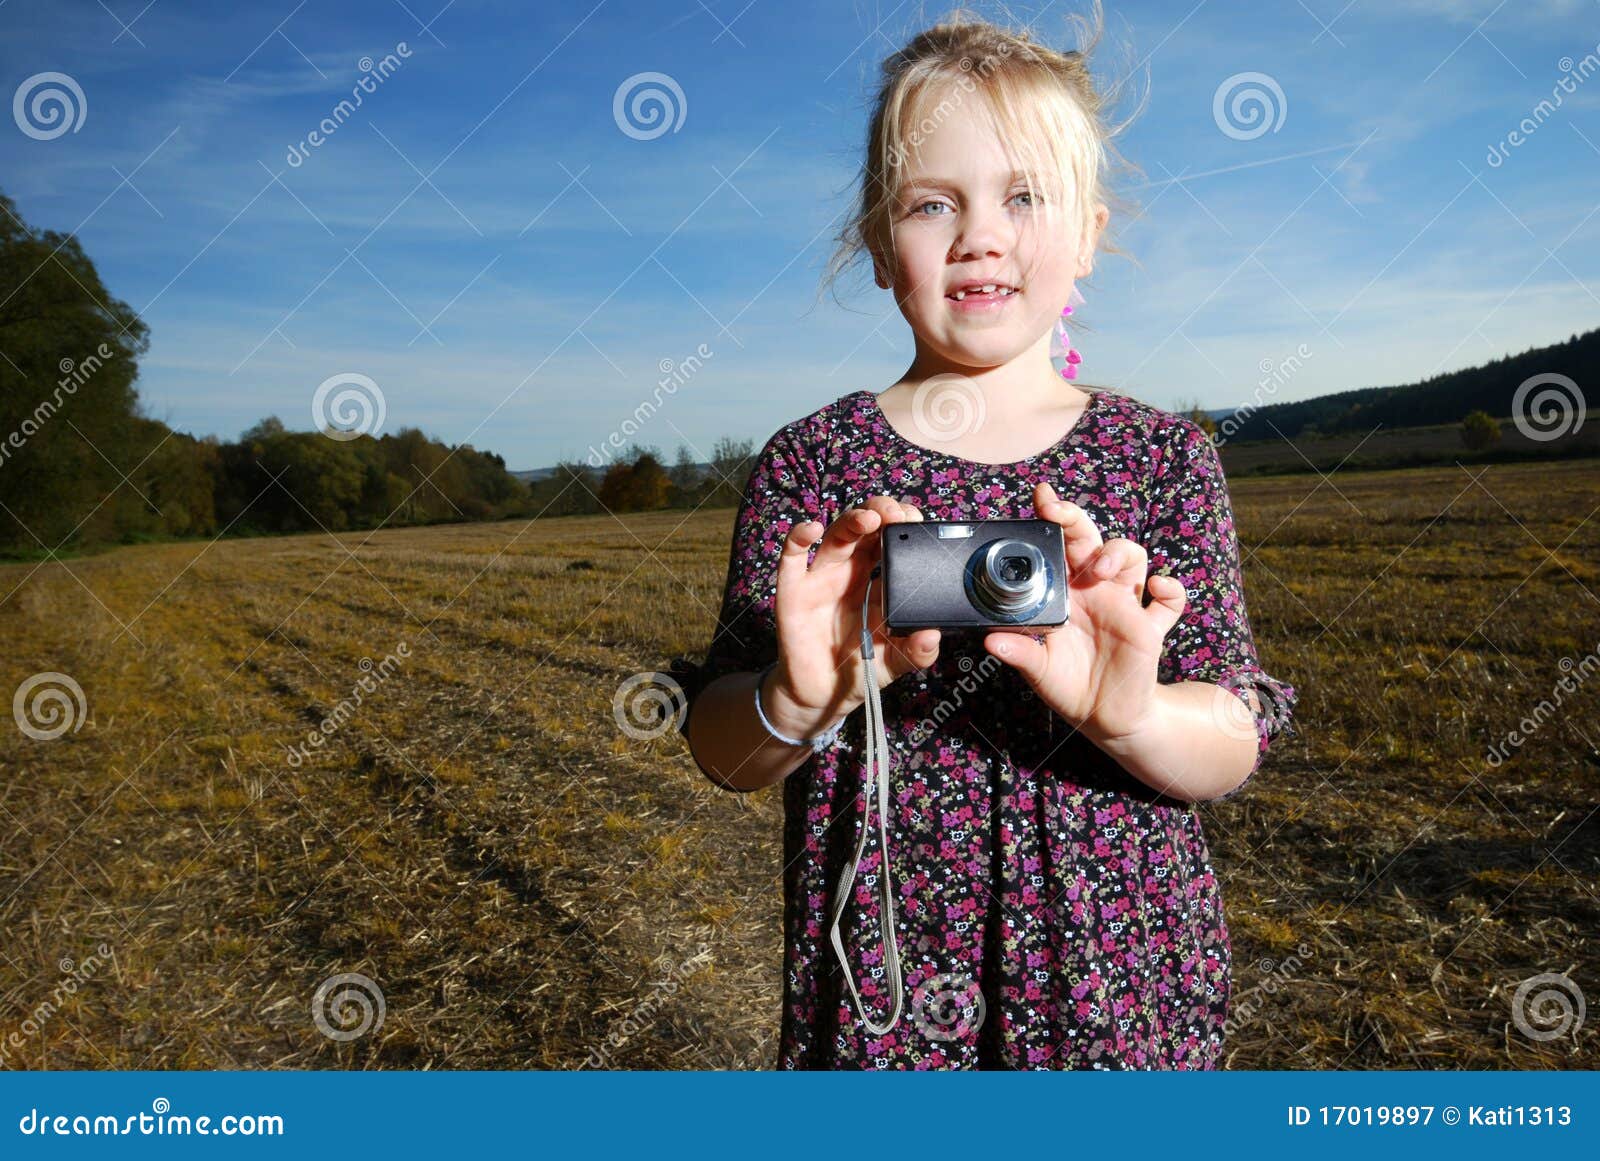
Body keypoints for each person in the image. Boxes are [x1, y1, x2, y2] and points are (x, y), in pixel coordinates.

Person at [667, 5, 1298, 1069]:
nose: (981, 234)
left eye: (1024, 196)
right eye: (930, 202)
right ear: (875, 241)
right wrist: (797, 698)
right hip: (891, 990)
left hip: (1119, 977)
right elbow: (723, 752)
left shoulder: (1163, 461)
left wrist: (1131, 713)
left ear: (1090, 231)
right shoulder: (813, 465)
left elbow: (1230, 738)